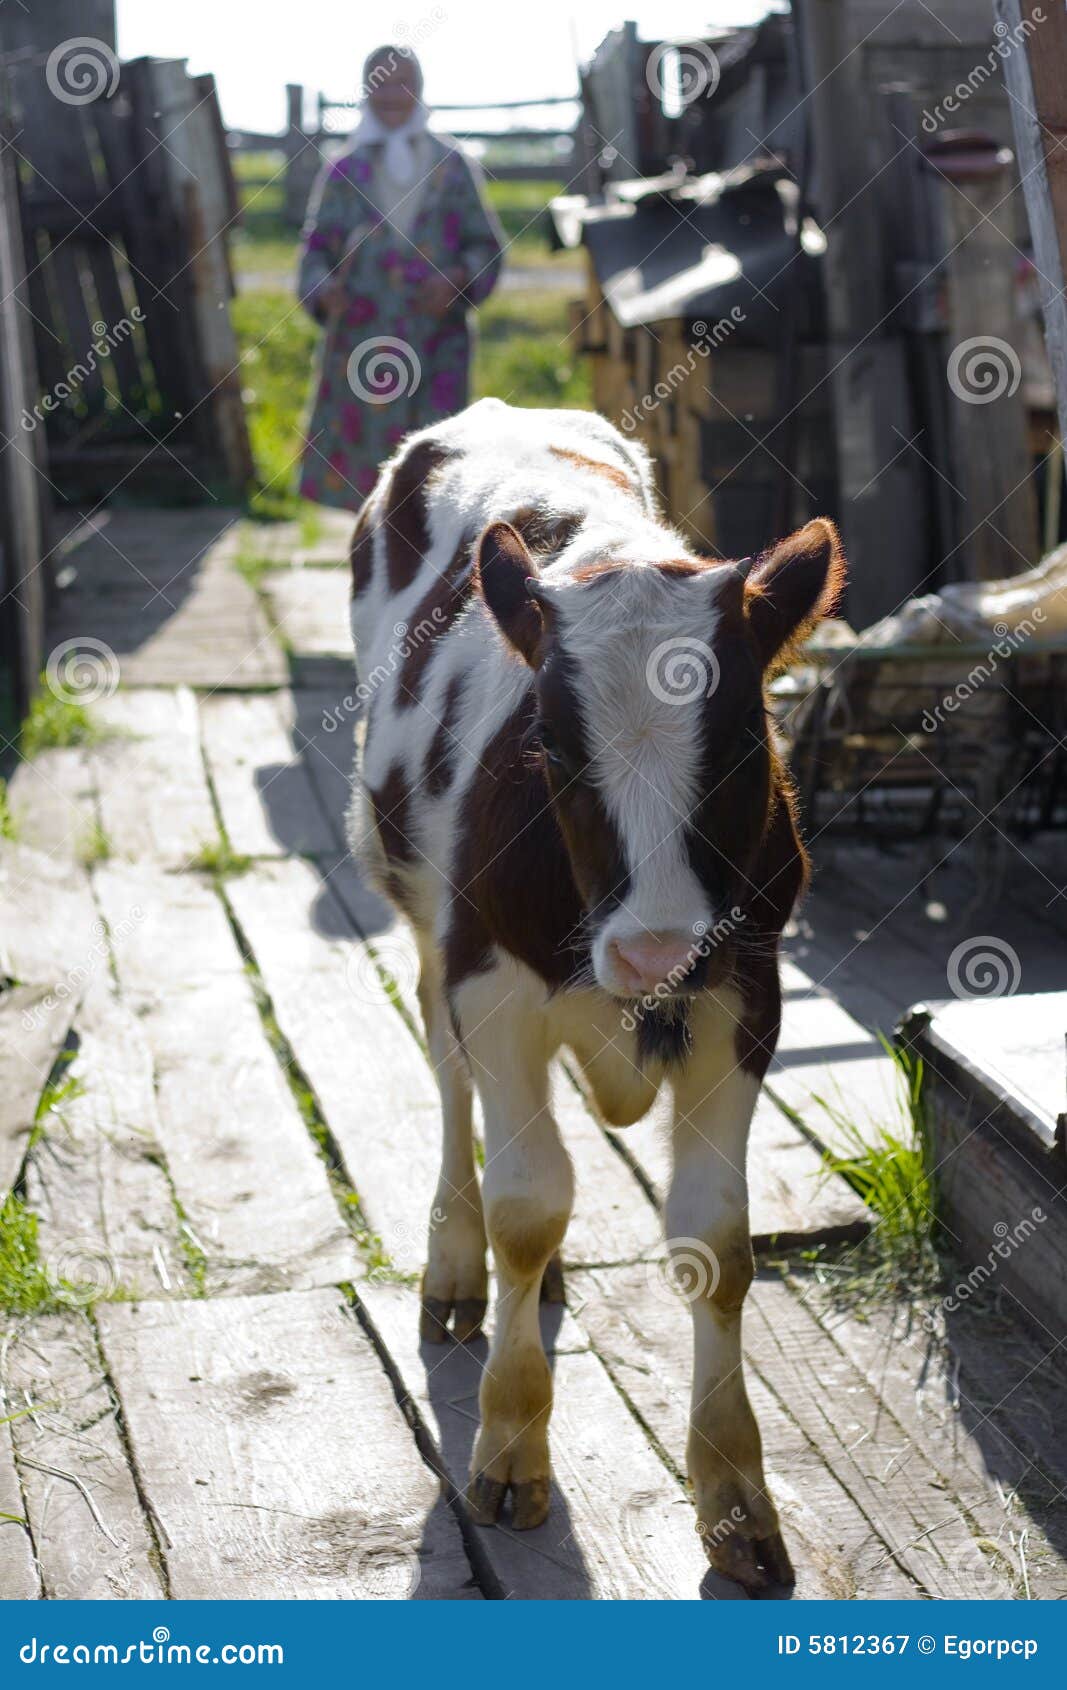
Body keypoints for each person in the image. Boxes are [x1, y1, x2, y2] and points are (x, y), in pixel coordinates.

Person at [296, 45, 504, 510]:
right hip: (362, 345)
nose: (391, 94)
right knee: (365, 488)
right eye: (380, 83)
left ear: (420, 90)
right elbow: (315, 250)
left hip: (436, 343)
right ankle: (372, 571)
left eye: (402, 83)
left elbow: (487, 248)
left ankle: (428, 577)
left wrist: (458, 279)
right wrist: (322, 289)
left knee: (435, 478)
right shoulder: (344, 170)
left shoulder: (452, 167)